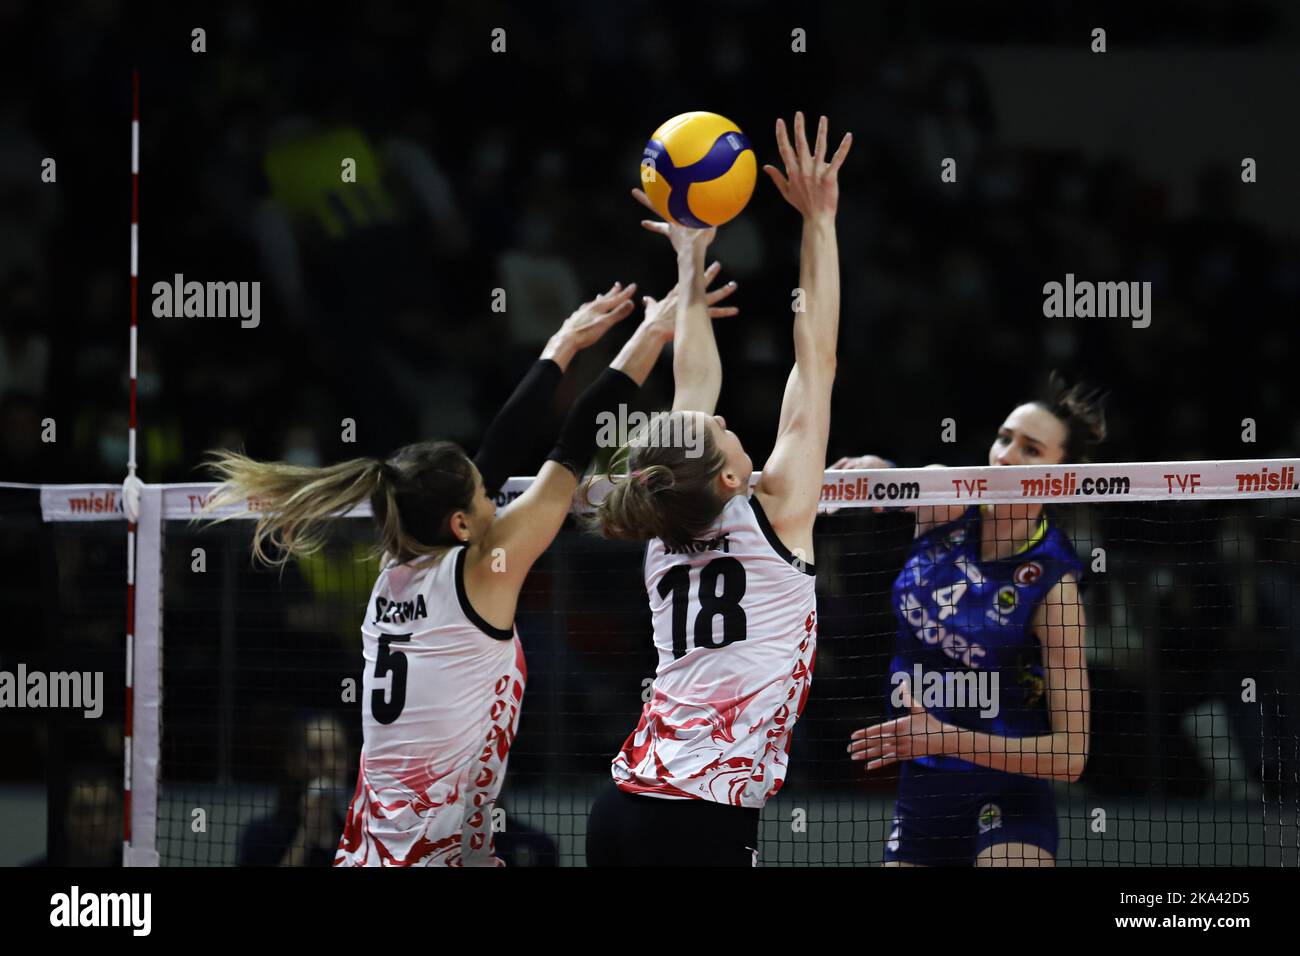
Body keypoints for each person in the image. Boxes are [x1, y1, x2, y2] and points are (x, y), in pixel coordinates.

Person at [201, 270, 736, 867]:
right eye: (485, 495)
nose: (496, 494)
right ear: (460, 524)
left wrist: (564, 341)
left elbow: (499, 450)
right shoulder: (484, 576)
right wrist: (649, 334)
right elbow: (576, 437)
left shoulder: (396, 564)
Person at [584, 112, 851, 866]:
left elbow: (694, 384)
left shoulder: (664, 521)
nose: (728, 419)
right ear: (733, 477)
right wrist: (819, 220)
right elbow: (816, 358)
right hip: (700, 821)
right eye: (727, 431)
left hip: (624, 804)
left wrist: (690, 250)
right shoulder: (773, 515)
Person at [841, 374, 1105, 866]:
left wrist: (949, 739)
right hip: (923, 788)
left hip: (1008, 791)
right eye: (1005, 438)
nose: (1005, 455)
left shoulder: (1054, 587)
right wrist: (872, 469)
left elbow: (1071, 756)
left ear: (1060, 474)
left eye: (1030, 450)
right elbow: (893, 480)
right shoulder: (948, 502)